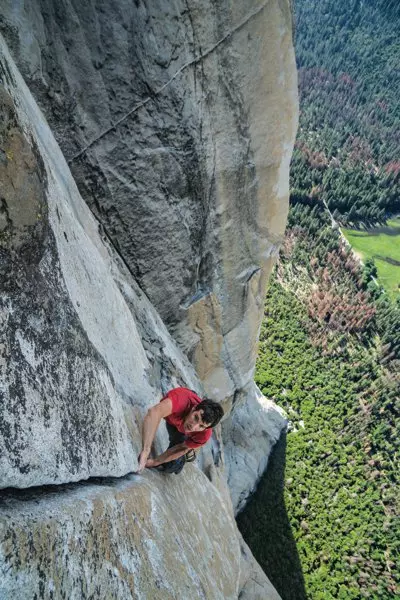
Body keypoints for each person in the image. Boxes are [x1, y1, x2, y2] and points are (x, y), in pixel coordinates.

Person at [137, 387, 224, 474]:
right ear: (193, 408)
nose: (193, 427)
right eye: (196, 417)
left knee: (171, 465)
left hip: (184, 432)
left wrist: (155, 462)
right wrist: (146, 450)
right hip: (176, 416)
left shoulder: (204, 434)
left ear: (206, 428)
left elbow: (182, 447)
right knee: (178, 426)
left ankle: (185, 458)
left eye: (201, 426)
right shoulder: (181, 400)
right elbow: (154, 412)